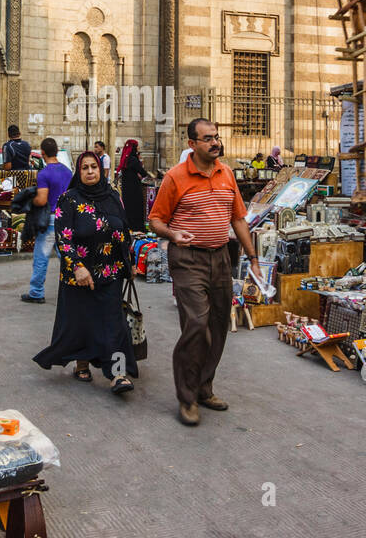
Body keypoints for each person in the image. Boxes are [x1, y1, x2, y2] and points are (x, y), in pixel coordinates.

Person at [148, 119, 260, 427]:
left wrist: (252, 257)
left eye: (217, 137)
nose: (215, 142)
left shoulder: (227, 174)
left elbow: (238, 219)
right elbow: (155, 220)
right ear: (192, 144)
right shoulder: (175, 177)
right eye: (208, 138)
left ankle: (204, 387)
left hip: (220, 258)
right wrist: (172, 235)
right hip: (187, 259)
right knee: (196, 323)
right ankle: (187, 399)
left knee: (219, 324)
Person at [32, 151, 137, 393]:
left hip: (110, 271)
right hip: (78, 274)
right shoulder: (69, 199)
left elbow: (124, 231)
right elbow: (63, 238)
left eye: (94, 167)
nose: (90, 171)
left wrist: (129, 262)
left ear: (100, 170)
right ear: (78, 172)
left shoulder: (113, 196)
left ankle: (118, 374)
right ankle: (82, 363)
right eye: (85, 168)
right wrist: (78, 267)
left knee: (114, 324)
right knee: (81, 322)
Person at [21, 137, 73, 304]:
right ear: (56, 152)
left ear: (42, 153)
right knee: (66, 256)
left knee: (41, 257)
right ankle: (75, 290)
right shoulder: (67, 171)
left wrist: (31, 200)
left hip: (50, 219)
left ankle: (36, 292)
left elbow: (42, 200)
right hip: (64, 219)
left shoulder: (44, 173)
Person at [117, 139, 150, 233]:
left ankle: (129, 226)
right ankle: (137, 227)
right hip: (135, 189)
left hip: (127, 189)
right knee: (136, 208)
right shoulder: (133, 160)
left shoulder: (126, 160)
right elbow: (143, 173)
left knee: (128, 208)